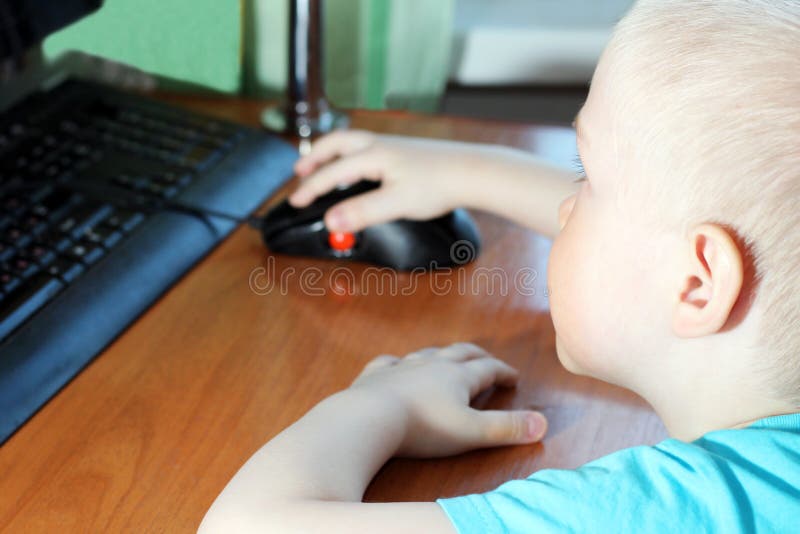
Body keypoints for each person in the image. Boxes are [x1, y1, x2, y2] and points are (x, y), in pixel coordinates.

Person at [199, 1, 800, 531]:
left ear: (697, 284)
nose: (565, 207)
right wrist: (472, 171)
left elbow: (243, 528)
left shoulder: (668, 512)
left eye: (586, 176)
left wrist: (387, 405)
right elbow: (663, 243)